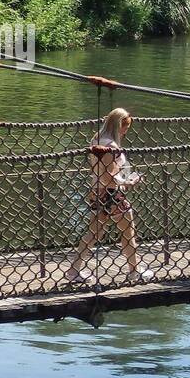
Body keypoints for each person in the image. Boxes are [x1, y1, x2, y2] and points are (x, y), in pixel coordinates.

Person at [65, 107, 153, 284]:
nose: (126, 132)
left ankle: (74, 270)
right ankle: (134, 271)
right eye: (125, 128)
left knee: (95, 232)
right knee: (128, 231)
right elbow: (109, 177)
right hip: (111, 194)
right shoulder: (111, 146)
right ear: (119, 125)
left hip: (96, 191)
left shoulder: (96, 138)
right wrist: (129, 182)